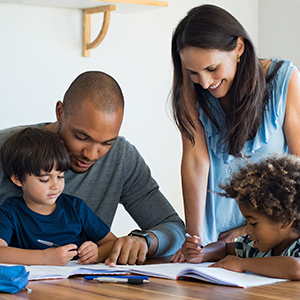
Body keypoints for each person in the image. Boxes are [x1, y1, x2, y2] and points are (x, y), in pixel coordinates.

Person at [0, 71, 185, 265]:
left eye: (107, 143)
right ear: (60, 112)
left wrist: (144, 239)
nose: (91, 154)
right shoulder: (6, 147)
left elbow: (174, 229)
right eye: (81, 137)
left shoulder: (121, 157)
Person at [170, 4, 300, 263]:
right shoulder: (192, 90)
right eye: (193, 72)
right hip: (214, 234)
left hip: (273, 230)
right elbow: (196, 161)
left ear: (239, 48)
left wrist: (250, 228)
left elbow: (298, 163)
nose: (205, 83)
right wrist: (194, 239)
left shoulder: (285, 79)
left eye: (212, 69)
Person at [0, 127, 116, 266]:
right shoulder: (9, 212)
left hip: (76, 283)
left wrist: (98, 253)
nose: (55, 186)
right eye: (44, 179)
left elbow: (112, 242)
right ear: (18, 179)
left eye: (60, 176)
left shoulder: (76, 208)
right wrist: (44, 258)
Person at [182, 154, 300, 280]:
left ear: (286, 219)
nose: (247, 230)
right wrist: (203, 253)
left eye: (254, 223)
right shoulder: (256, 247)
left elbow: (296, 268)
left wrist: (241, 264)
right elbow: (225, 247)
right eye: (247, 222)